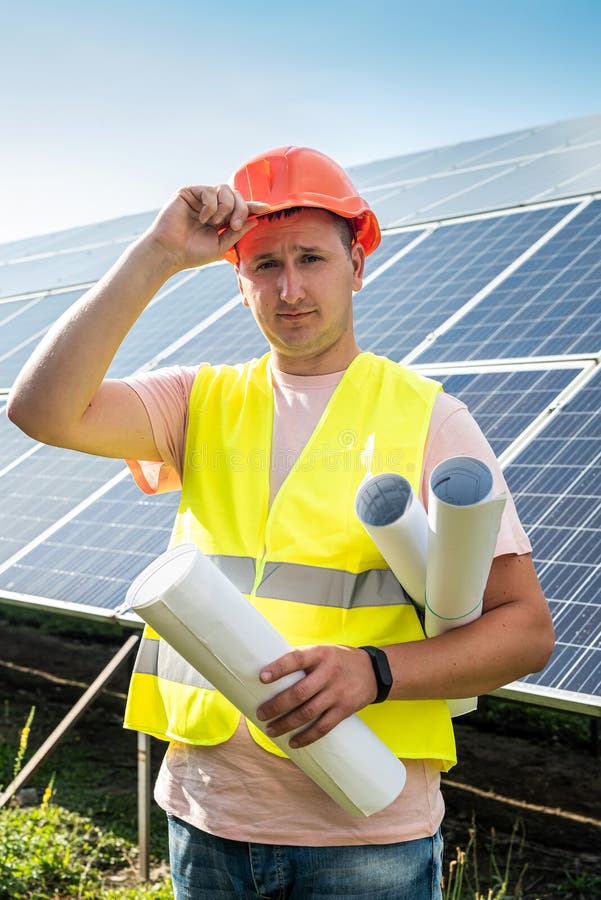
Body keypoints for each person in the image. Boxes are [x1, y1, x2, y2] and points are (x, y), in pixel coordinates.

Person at [7, 146, 555, 900]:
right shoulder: (198, 402)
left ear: (356, 265)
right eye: (264, 265)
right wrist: (160, 252)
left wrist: (374, 671)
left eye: (310, 258)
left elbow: (524, 630)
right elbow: (40, 411)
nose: (289, 288)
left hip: (363, 837)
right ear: (237, 283)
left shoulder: (430, 418)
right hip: (204, 820)